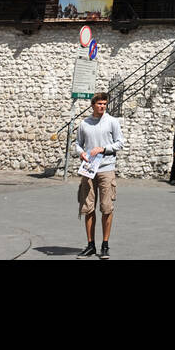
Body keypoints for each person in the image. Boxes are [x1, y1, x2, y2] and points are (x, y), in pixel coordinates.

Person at [75, 92, 124, 259]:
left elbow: (120, 143)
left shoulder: (112, 122)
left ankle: (105, 244)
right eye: (100, 104)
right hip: (88, 169)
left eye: (105, 104)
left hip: (106, 169)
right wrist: (81, 153)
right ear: (93, 105)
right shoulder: (84, 124)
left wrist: (103, 149)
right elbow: (77, 145)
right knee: (88, 208)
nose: (103, 106)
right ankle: (90, 245)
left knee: (106, 208)